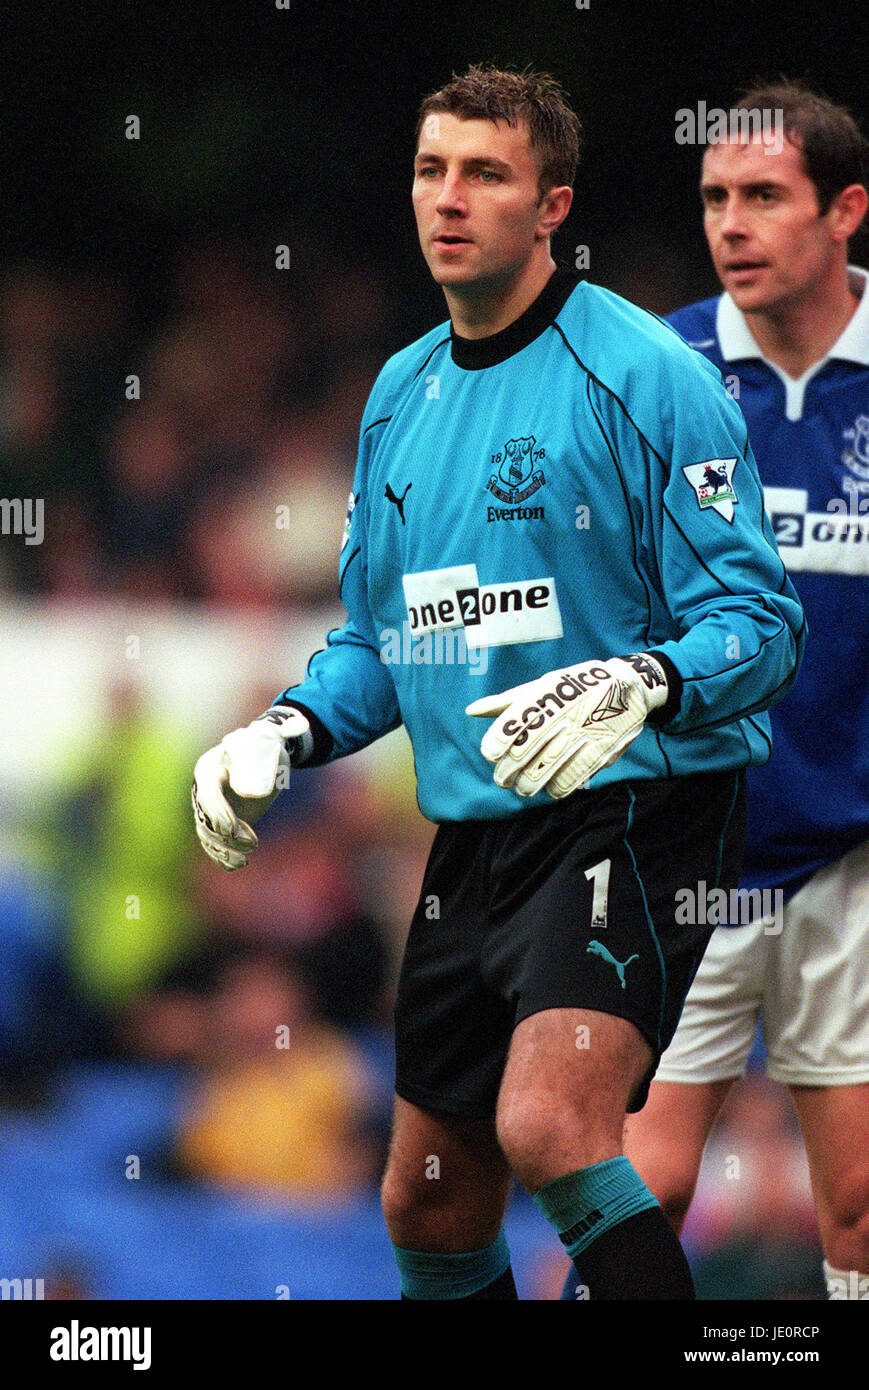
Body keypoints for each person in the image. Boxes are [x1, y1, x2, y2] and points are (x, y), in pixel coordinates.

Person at [191, 65, 804, 1301]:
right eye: (430, 169)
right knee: (424, 1200)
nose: (449, 198)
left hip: (634, 809)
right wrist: (290, 729)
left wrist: (639, 681)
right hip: (474, 837)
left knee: (548, 1124)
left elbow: (760, 622)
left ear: (550, 206)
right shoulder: (399, 394)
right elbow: (383, 639)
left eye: (485, 173)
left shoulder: (641, 374)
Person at [571, 82, 868, 1303]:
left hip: (850, 855)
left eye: (762, 197)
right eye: (712, 199)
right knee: (642, 1183)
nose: (730, 224)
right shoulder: (654, 374)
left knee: (855, 1196)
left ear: (844, 210)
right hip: (682, 838)